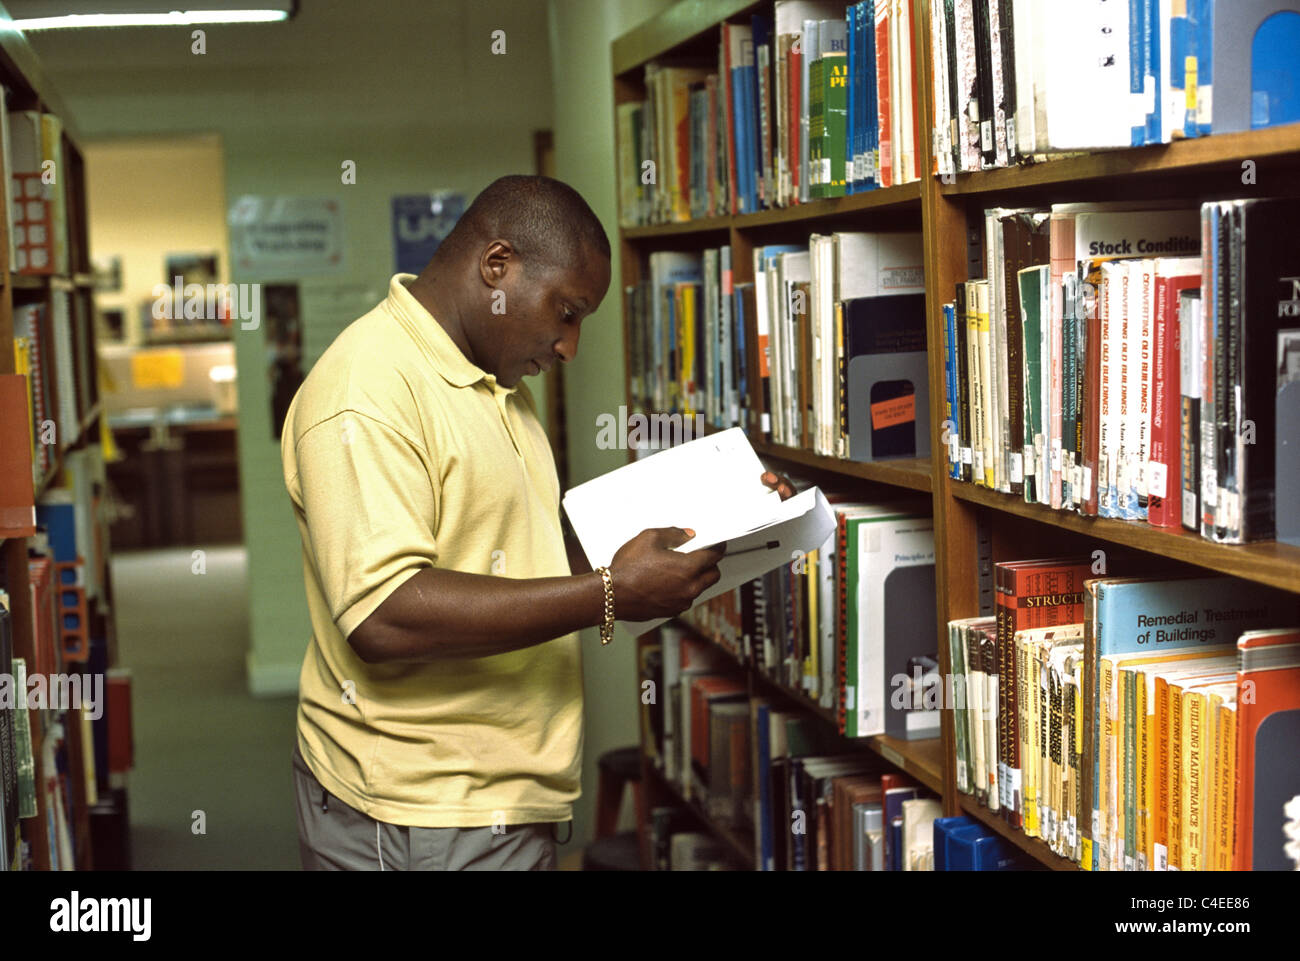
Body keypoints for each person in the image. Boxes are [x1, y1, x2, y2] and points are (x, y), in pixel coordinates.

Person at [282, 174, 795, 871]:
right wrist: (611, 591)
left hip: (497, 801)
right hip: (419, 811)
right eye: (566, 312)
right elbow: (385, 614)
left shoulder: (495, 383)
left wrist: (714, 518)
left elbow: (511, 556)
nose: (570, 346)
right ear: (498, 266)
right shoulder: (365, 391)